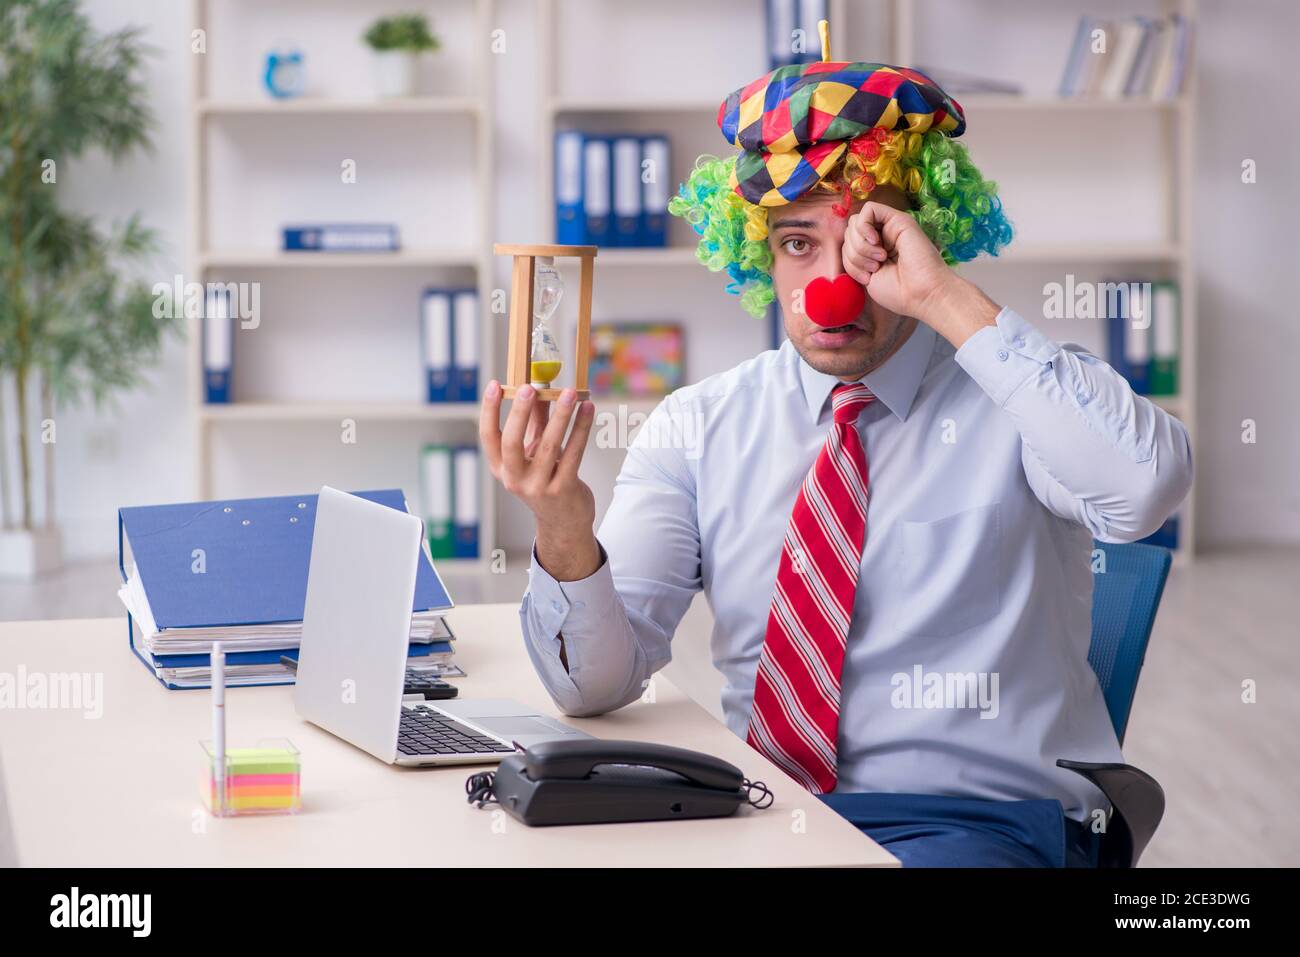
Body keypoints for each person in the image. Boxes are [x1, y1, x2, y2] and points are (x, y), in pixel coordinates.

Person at [479, 56, 1192, 867]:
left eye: (867, 244)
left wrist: (941, 298)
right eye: (796, 243)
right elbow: (593, 686)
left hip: (976, 826)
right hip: (762, 815)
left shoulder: (1019, 398)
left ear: (925, 241)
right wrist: (564, 527)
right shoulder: (698, 425)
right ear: (759, 255)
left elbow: (1144, 490)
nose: (831, 289)